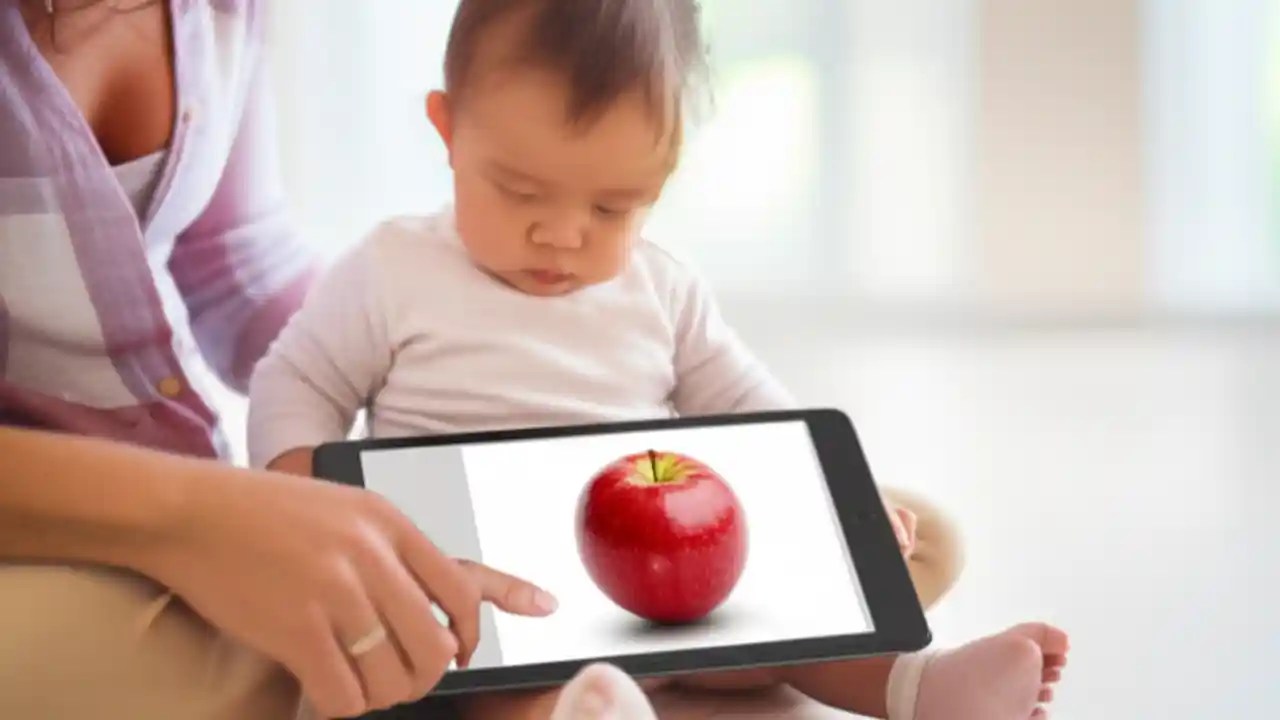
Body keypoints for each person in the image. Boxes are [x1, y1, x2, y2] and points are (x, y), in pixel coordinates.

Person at [247, 1, 1071, 719]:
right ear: (448, 130)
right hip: (481, 586)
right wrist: (298, 494)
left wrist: (829, 497)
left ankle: (921, 689)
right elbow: (300, 379)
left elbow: (751, 406)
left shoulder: (661, 289)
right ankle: (577, 709)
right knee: (479, 685)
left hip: (658, 570)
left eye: (612, 206)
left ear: (663, 179)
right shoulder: (393, 270)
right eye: (519, 191)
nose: (563, 233)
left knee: (814, 610)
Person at [0, 2, 610, 718]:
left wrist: (440, 344)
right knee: (342, 664)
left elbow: (232, 265)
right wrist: (211, 516)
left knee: (456, 620)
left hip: (192, 506)